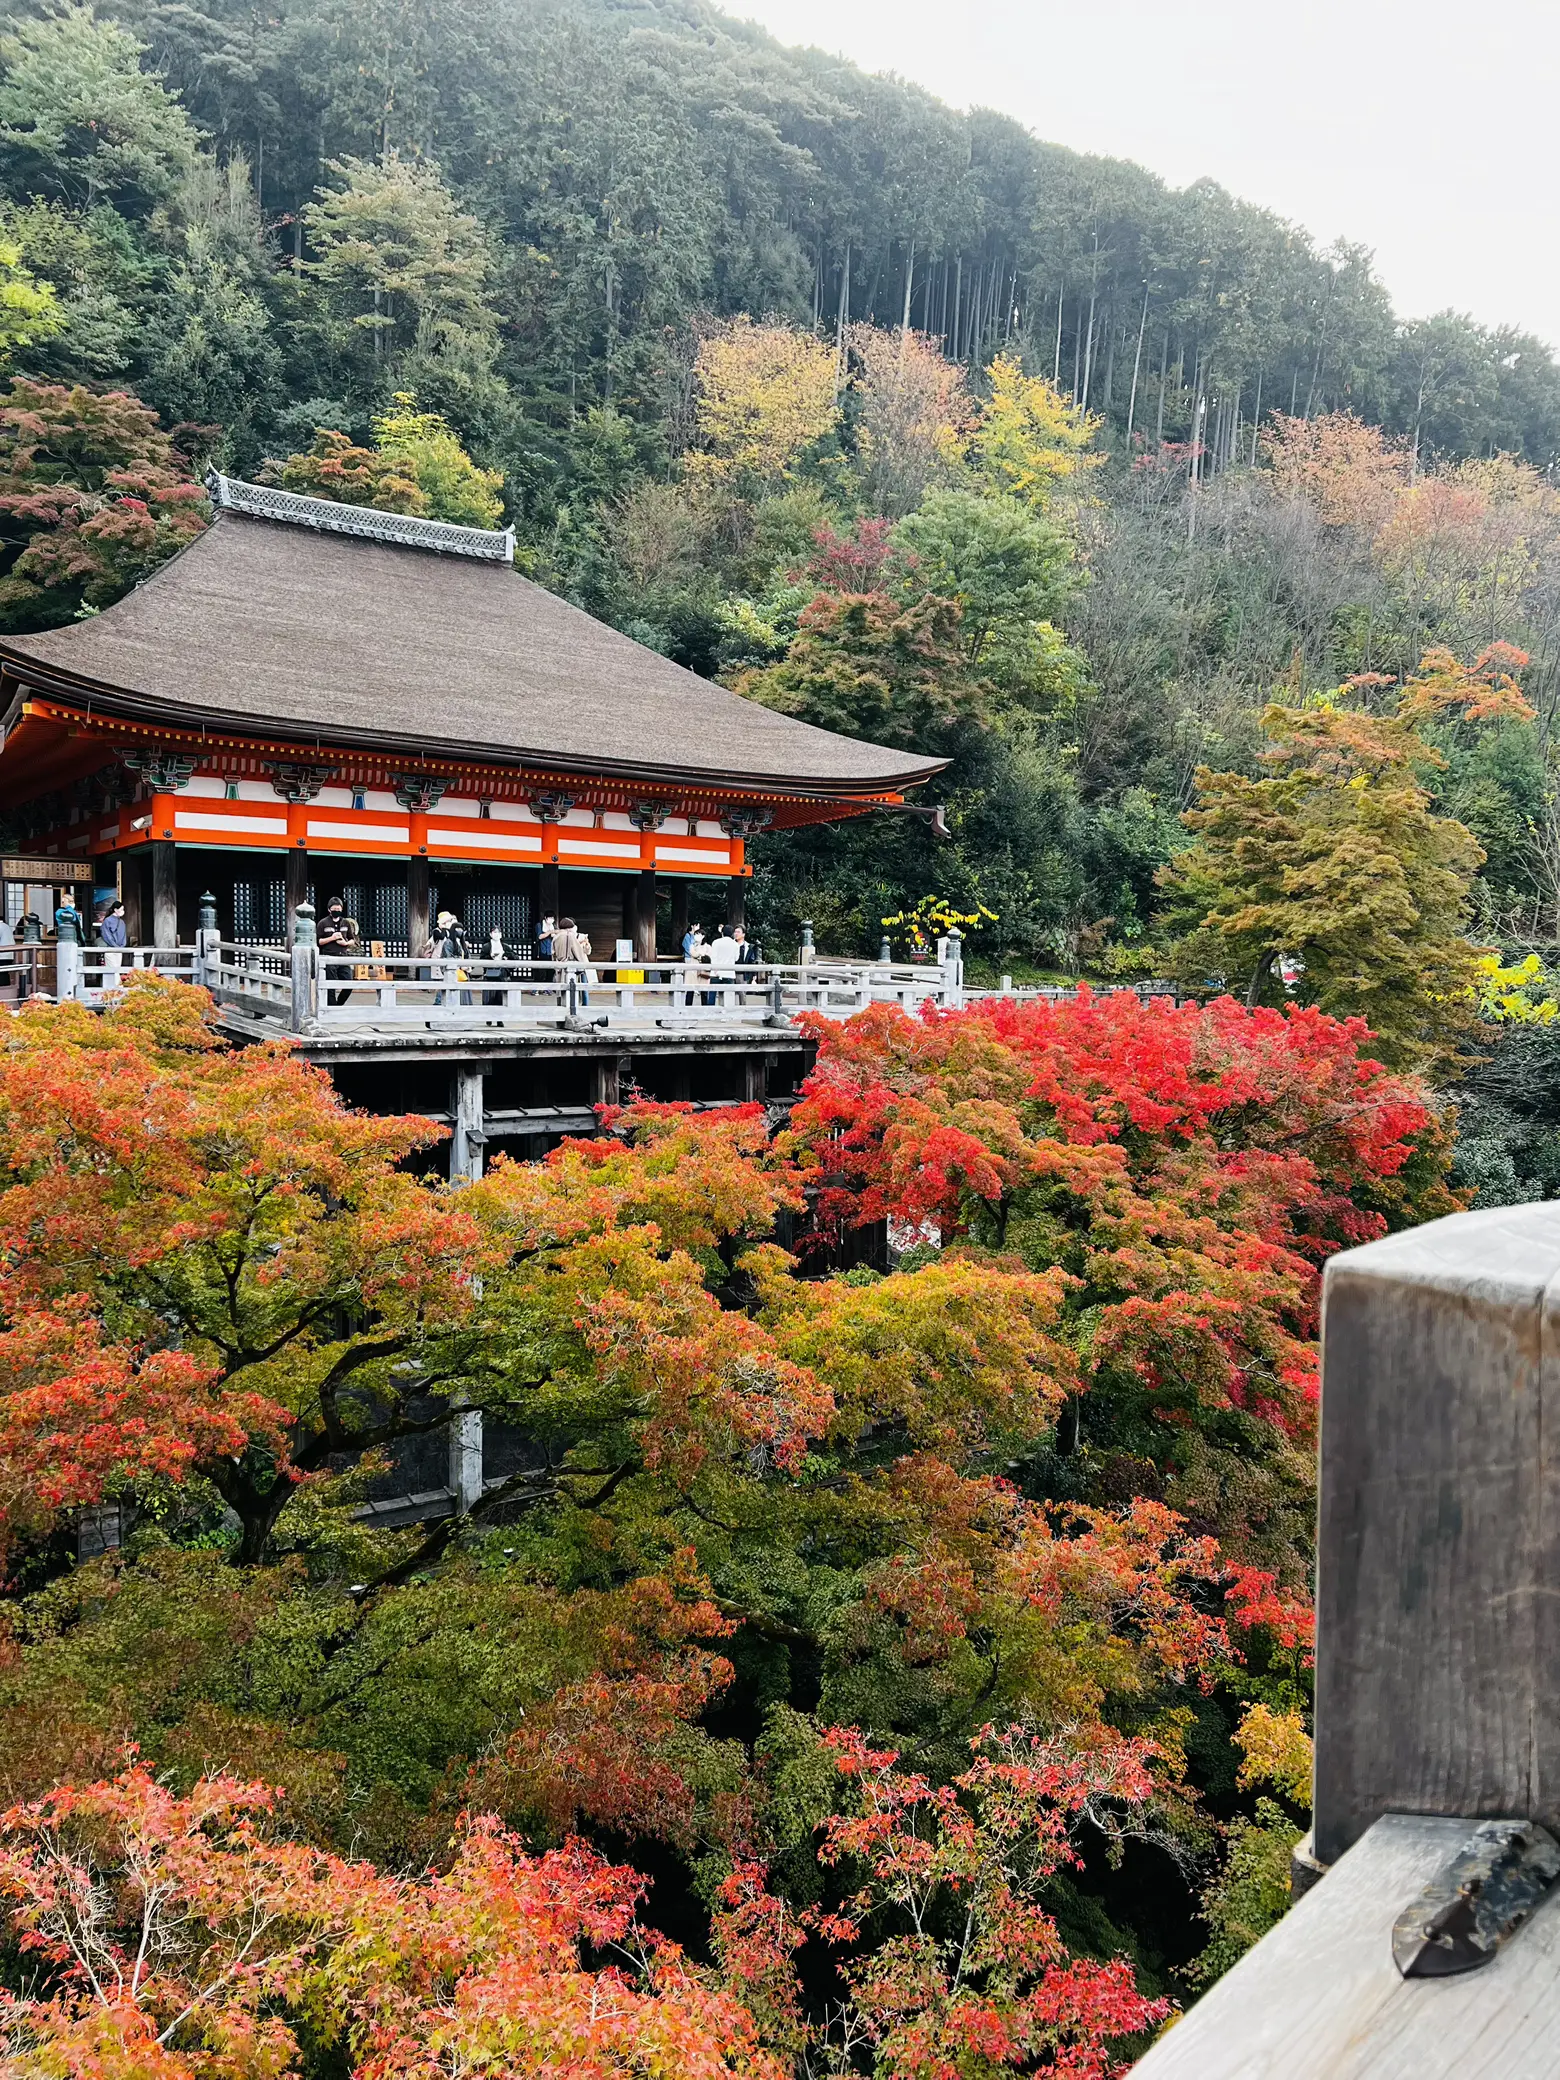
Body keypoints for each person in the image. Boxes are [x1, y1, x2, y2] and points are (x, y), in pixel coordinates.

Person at [318, 895, 361, 1007]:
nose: (336, 911)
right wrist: (332, 938)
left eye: (338, 909)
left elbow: (353, 940)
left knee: (348, 984)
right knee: (330, 985)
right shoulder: (323, 923)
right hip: (329, 957)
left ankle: (338, 1005)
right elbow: (318, 941)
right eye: (334, 910)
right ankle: (331, 1007)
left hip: (343, 957)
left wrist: (345, 943)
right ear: (329, 910)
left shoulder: (346, 923)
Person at [433, 908, 473, 1006]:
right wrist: (460, 965)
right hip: (451, 972)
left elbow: (467, 955)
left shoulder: (461, 942)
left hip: (463, 974)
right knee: (444, 995)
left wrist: (469, 966)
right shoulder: (447, 940)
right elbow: (448, 957)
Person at [551, 914, 592, 1006]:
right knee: (572, 991)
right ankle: (572, 1011)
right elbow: (578, 952)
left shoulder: (556, 937)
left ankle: (560, 1011)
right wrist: (582, 963)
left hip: (559, 966)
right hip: (571, 967)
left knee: (561, 991)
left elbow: (553, 954)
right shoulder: (569, 936)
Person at [96, 898, 127, 992]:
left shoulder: (121, 922)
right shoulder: (108, 921)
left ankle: (115, 988)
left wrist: (121, 946)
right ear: (115, 910)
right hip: (110, 949)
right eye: (121, 909)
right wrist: (116, 946)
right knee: (113, 969)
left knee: (116, 968)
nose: (122, 912)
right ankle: (117, 987)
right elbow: (106, 935)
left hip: (118, 949)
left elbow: (124, 935)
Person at [706, 923, 741, 1006]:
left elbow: (713, 957)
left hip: (716, 972)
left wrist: (715, 969)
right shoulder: (735, 944)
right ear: (732, 933)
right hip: (729, 973)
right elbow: (736, 958)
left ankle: (711, 1013)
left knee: (712, 994)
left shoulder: (716, 942)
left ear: (722, 933)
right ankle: (726, 1014)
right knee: (728, 995)